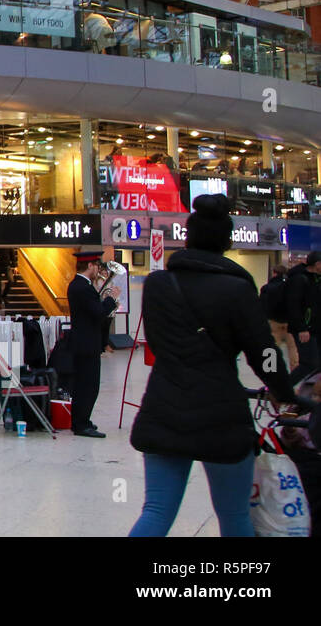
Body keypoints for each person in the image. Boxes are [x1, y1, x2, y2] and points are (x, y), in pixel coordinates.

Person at [129, 194, 302, 537]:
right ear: (226, 241)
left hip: (165, 406)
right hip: (221, 415)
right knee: (235, 517)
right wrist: (283, 391)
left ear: (188, 237)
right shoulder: (237, 289)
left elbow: (159, 340)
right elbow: (263, 352)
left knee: (157, 511)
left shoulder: (160, 284)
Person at [67, 249, 118, 437]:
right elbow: (97, 313)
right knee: (87, 385)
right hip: (85, 343)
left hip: (88, 342)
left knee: (88, 384)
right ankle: (81, 424)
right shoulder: (81, 287)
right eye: (97, 265)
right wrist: (111, 299)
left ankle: (83, 420)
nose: (98, 269)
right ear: (89, 265)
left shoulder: (83, 286)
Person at [285, 251, 321, 376]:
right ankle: (282, 389)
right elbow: (293, 306)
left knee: (316, 365)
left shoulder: (316, 279)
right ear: (317, 264)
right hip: (304, 329)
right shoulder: (299, 279)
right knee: (309, 363)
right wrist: (301, 328)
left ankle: (311, 392)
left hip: (315, 328)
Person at [261, 263, 297, 372]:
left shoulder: (266, 288)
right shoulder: (292, 287)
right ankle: (295, 375)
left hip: (273, 322)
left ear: (274, 273)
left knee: (272, 349)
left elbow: (261, 305)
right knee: (293, 350)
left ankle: (272, 377)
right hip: (290, 323)